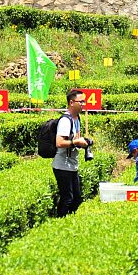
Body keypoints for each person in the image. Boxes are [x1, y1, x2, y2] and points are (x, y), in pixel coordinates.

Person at [53, 89, 93, 217]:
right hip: (62, 166)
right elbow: (59, 142)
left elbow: (75, 138)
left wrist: (83, 142)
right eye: (80, 101)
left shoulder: (77, 118)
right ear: (71, 102)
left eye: (84, 101)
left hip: (72, 165)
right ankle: (59, 223)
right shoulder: (65, 121)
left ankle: (69, 222)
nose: (83, 104)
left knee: (77, 199)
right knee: (67, 199)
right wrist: (75, 143)